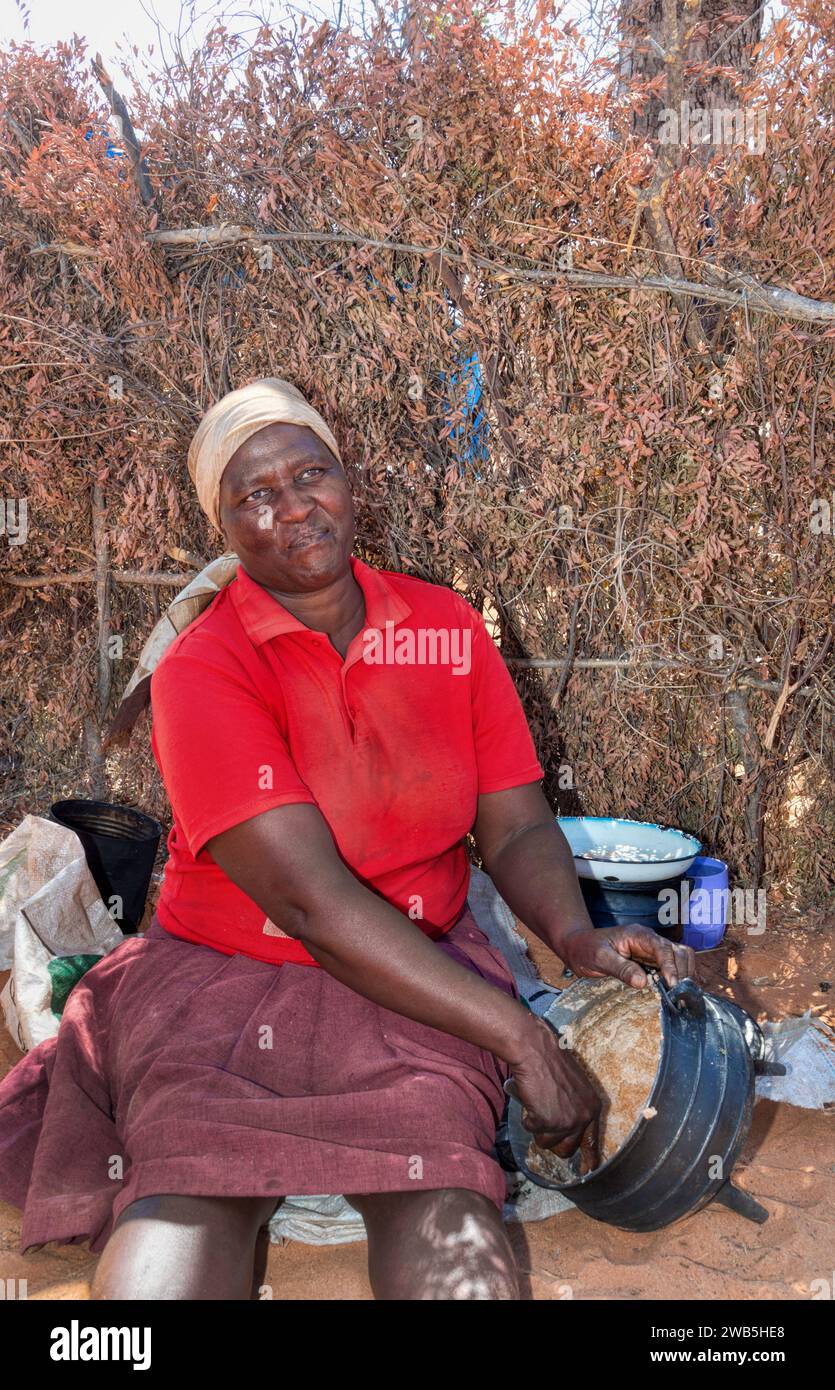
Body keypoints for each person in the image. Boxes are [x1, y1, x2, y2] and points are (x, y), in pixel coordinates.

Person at [0, 378, 695, 1300]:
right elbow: (308, 904)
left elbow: (518, 820)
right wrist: (521, 1039)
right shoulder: (204, 671)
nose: (292, 508)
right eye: (254, 494)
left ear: (347, 479)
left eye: (309, 473)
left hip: (418, 975)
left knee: (440, 1193)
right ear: (224, 523)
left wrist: (573, 936)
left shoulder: (443, 629)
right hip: (225, 979)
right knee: (191, 1193)